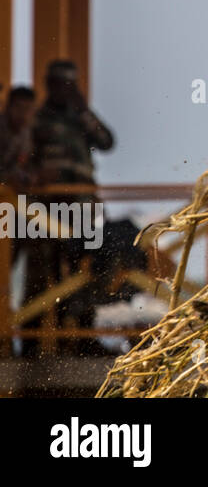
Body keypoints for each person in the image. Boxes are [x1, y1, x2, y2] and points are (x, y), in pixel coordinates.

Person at [29, 60, 114, 353]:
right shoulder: (37, 120)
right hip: (46, 210)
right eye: (59, 83)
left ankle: (82, 337)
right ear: (49, 84)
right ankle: (32, 342)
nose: (64, 89)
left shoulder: (81, 118)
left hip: (83, 207)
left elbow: (107, 141)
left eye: (70, 84)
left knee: (86, 270)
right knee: (43, 271)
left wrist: (84, 110)